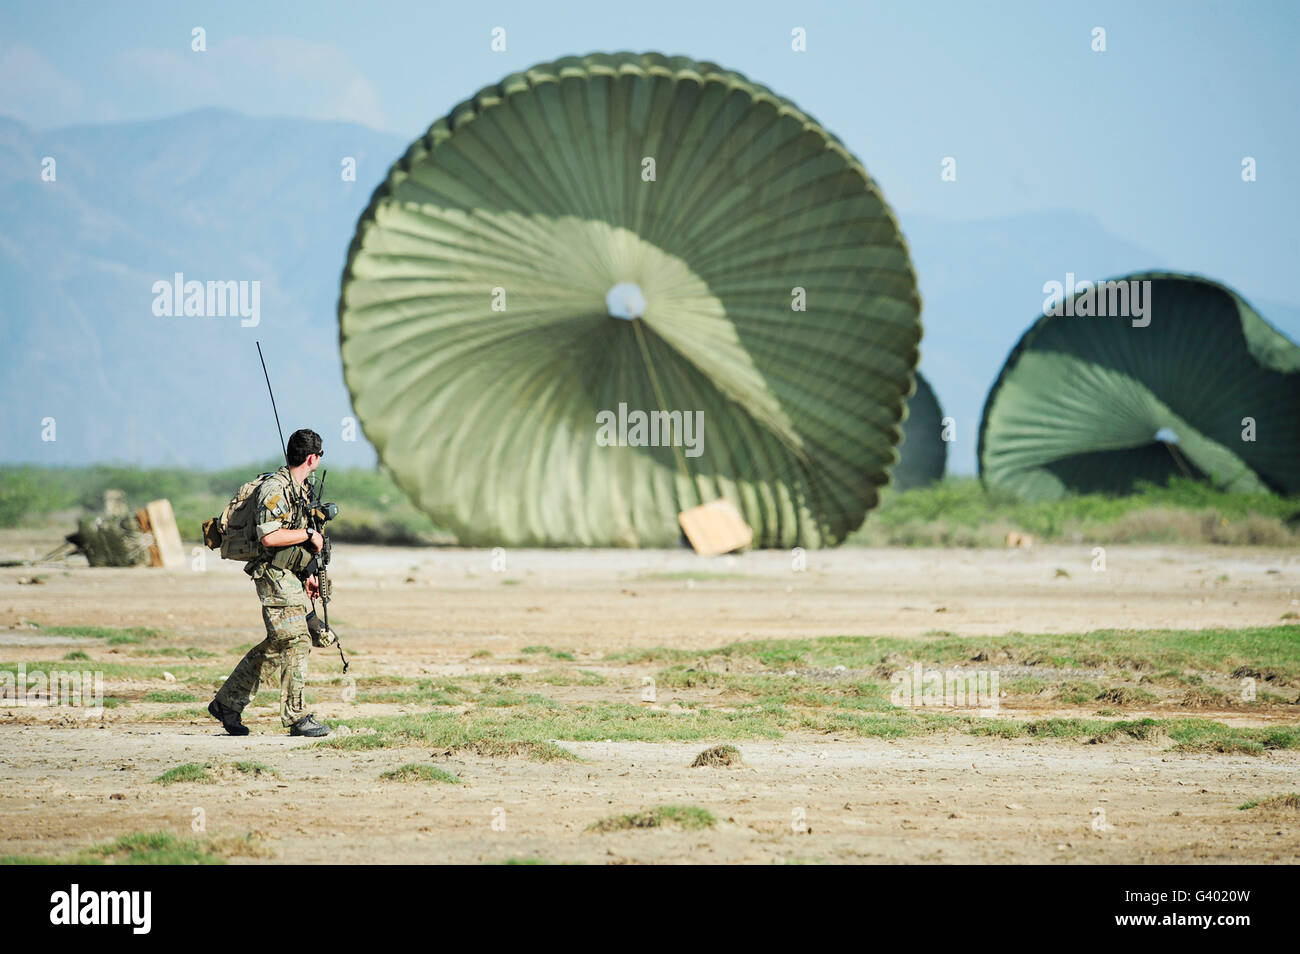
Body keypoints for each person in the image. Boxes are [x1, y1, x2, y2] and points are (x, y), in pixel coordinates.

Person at [208, 428, 333, 737]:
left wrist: (309, 576)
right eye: (318, 456)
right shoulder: (275, 489)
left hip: (288, 575)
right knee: (297, 640)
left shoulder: (299, 489)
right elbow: (270, 535)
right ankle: (296, 716)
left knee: (279, 645)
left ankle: (227, 703)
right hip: (271, 574)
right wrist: (309, 535)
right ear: (312, 458)